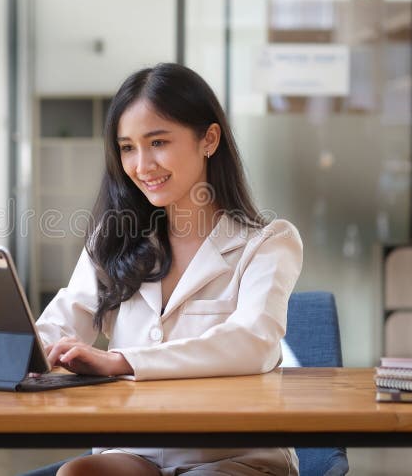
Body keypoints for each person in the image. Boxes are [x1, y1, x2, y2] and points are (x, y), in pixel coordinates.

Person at [35, 63, 303, 476]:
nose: (142, 165)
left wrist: (121, 360)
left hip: (231, 457)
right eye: (127, 147)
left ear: (208, 140)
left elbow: (252, 342)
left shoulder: (268, 243)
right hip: (134, 449)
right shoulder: (115, 238)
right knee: (78, 473)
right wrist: (9, 348)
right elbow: (62, 325)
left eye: (157, 141)